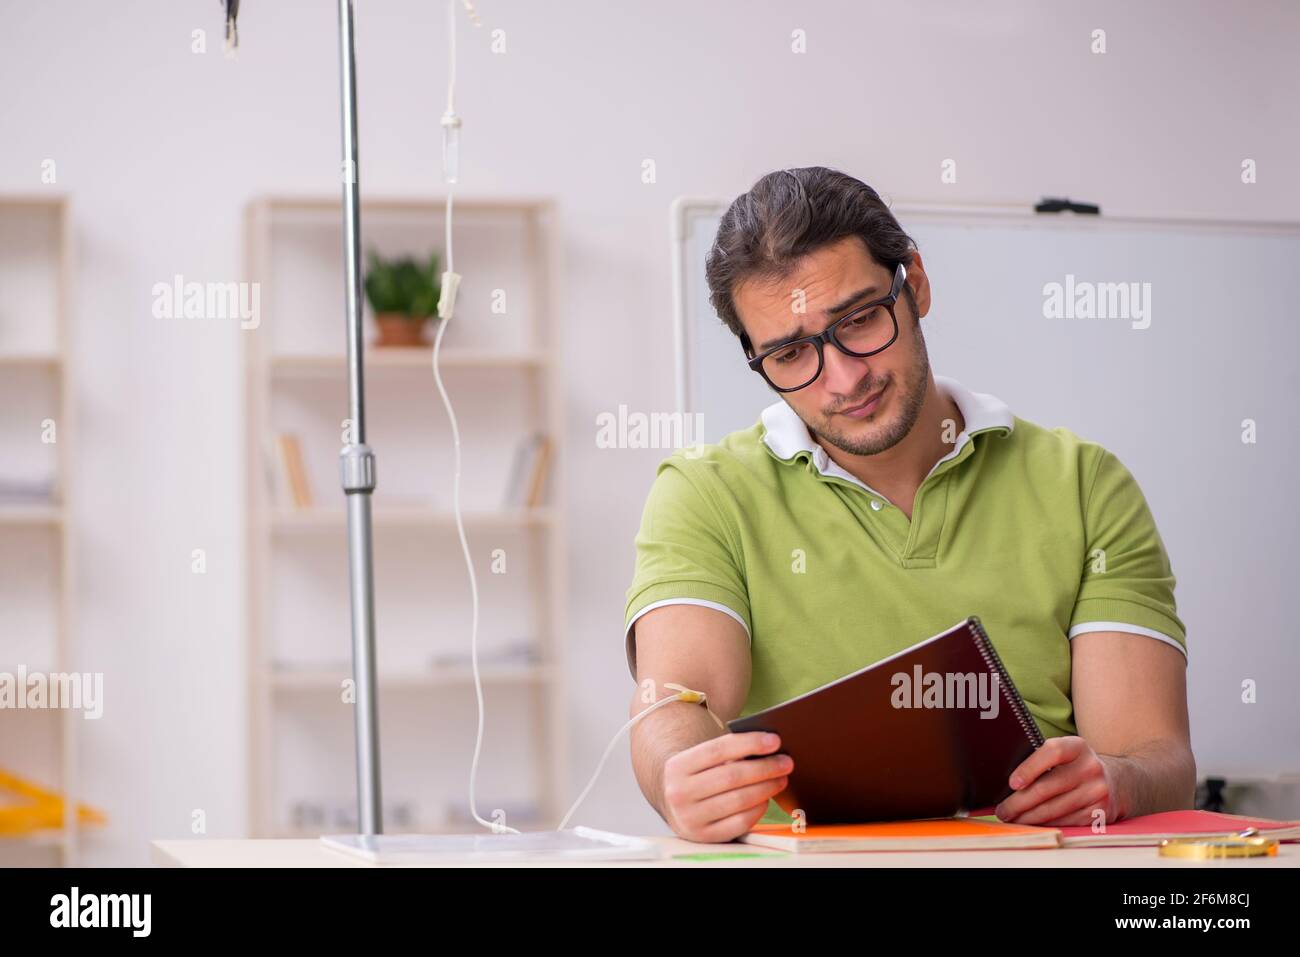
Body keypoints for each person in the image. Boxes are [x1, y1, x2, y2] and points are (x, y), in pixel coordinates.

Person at [624, 167, 1194, 843]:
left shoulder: (1083, 484)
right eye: (791, 353)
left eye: (860, 319)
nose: (844, 378)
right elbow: (676, 701)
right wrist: (678, 775)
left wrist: (1119, 778)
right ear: (755, 358)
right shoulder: (704, 493)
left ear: (914, 283)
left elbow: (1156, 753)